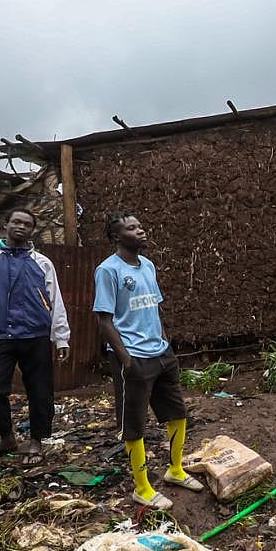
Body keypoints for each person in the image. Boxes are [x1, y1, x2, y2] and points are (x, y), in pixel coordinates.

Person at [93, 211, 203, 510]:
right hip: (134, 357)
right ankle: (142, 488)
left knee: (177, 413)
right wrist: (126, 360)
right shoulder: (108, 270)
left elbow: (155, 308)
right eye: (132, 228)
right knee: (135, 425)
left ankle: (175, 470)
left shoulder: (148, 266)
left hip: (160, 353)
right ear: (117, 237)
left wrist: (165, 343)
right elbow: (104, 320)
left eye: (140, 226)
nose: (140, 231)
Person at [0, 208, 71, 465]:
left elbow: (55, 301)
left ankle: (36, 440)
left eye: (27, 224)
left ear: (32, 230)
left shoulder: (42, 262)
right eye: (16, 222)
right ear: (6, 223)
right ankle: (6, 436)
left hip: (35, 336)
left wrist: (61, 337)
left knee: (40, 391)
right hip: (1, 337)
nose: (21, 227)